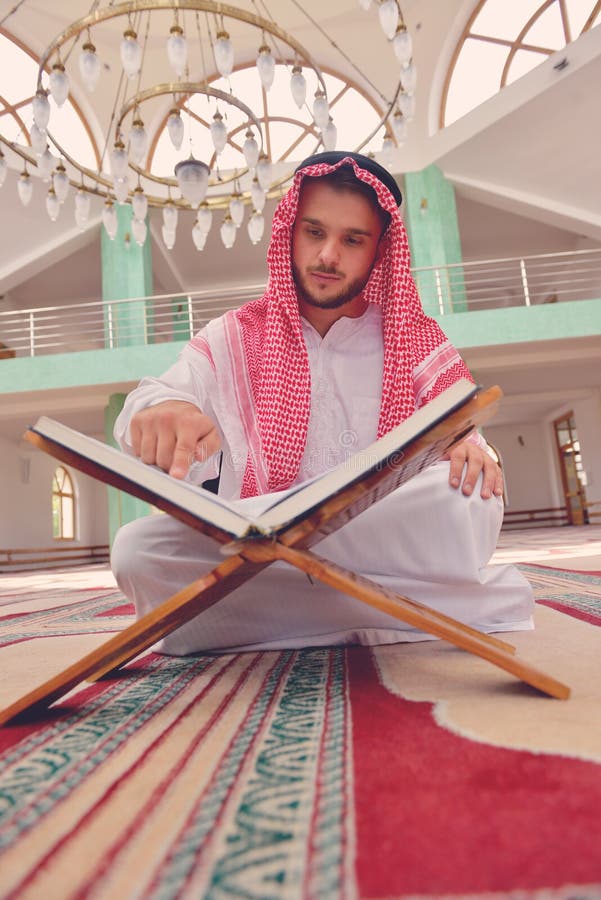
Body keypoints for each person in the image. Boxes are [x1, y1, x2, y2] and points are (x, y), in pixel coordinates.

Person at [111, 151, 534, 654]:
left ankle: (231, 619)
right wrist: (161, 410)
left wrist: (468, 446)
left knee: (464, 494)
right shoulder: (234, 335)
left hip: (316, 550)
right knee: (136, 550)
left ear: (379, 251)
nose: (329, 255)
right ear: (291, 232)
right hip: (267, 537)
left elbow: (464, 431)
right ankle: (410, 609)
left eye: (352, 239)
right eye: (314, 232)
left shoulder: (414, 336)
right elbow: (157, 397)